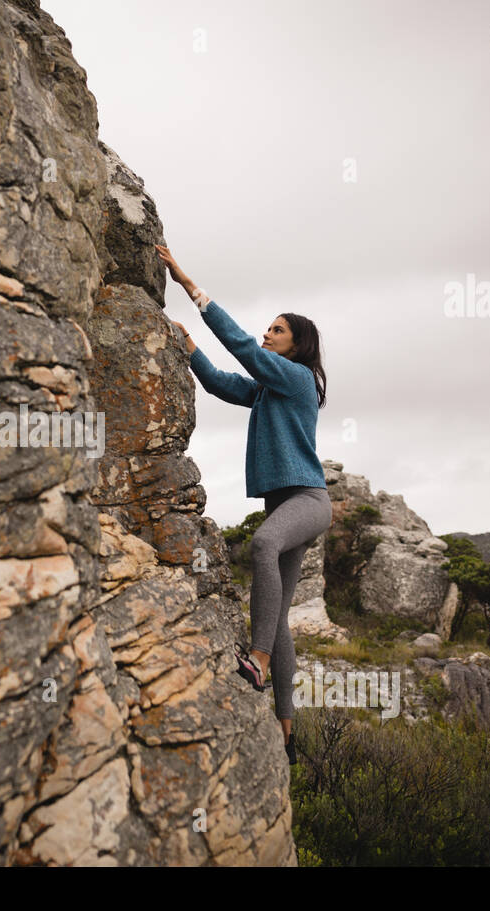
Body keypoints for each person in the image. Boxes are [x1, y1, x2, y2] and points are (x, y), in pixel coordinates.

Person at [155, 244, 332, 766]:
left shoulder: (296, 379)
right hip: (286, 502)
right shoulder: (266, 391)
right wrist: (186, 345)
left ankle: (255, 660)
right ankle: (287, 730)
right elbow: (219, 381)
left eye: (276, 330)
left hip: (308, 500)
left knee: (262, 542)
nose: (266, 334)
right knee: (276, 621)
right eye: (268, 328)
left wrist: (191, 287)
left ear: (296, 346)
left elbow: (240, 348)